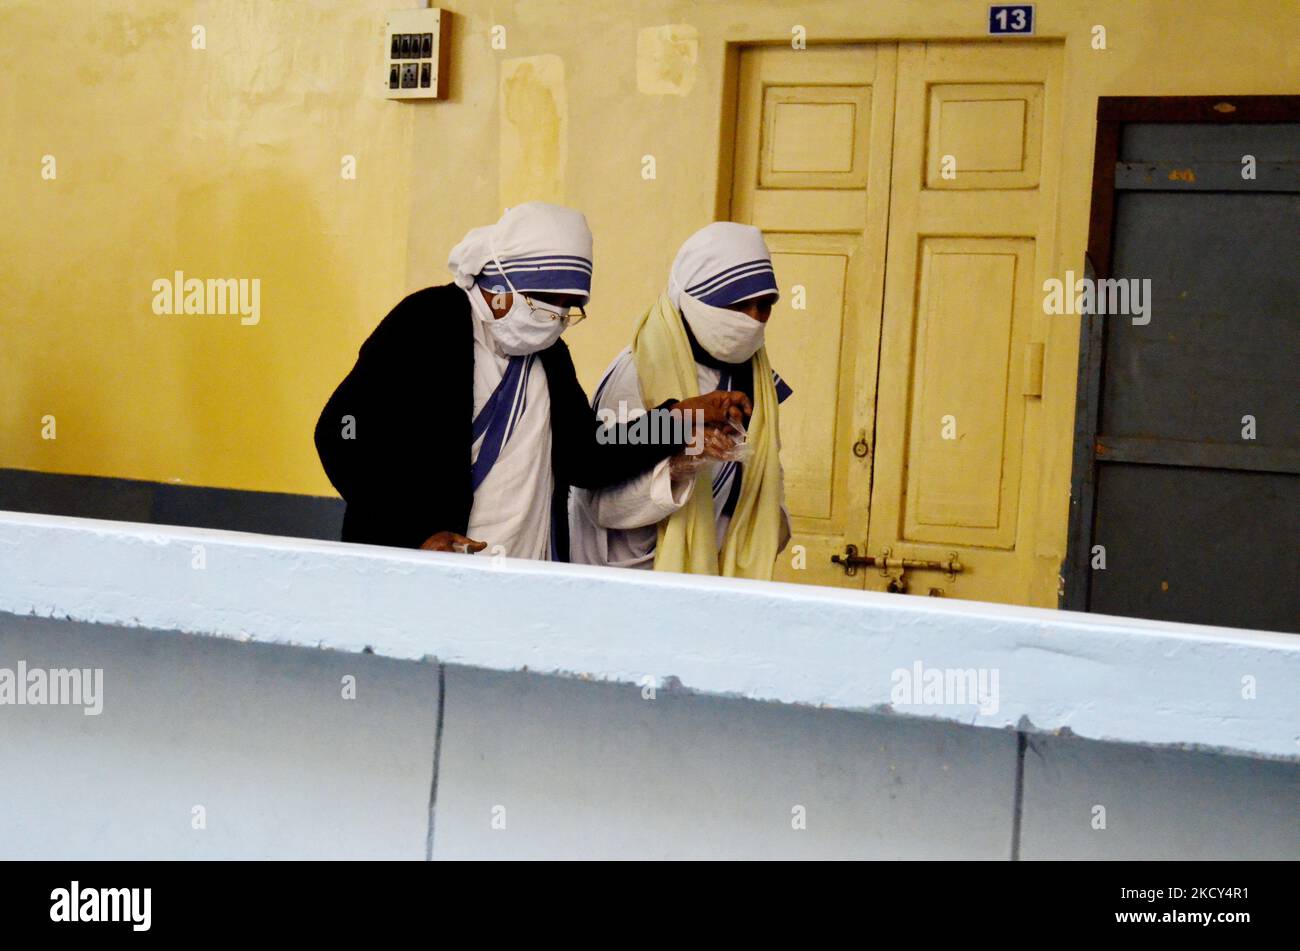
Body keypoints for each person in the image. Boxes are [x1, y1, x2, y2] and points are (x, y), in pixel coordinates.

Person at [314, 202, 750, 559]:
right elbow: (341, 436)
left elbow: (586, 456)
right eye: (547, 300)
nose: (558, 317)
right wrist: (416, 534)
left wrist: (678, 418)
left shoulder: (548, 354)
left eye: (570, 306)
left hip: (523, 567)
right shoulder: (427, 322)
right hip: (425, 566)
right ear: (503, 281)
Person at [570, 222, 792, 579]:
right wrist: (678, 466)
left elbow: (764, 485)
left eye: (763, 306)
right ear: (694, 300)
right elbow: (601, 503)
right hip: (637, 580)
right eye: (737, 305)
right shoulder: (639, 371)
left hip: (720, 581)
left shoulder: (757, 383)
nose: (752, 320)